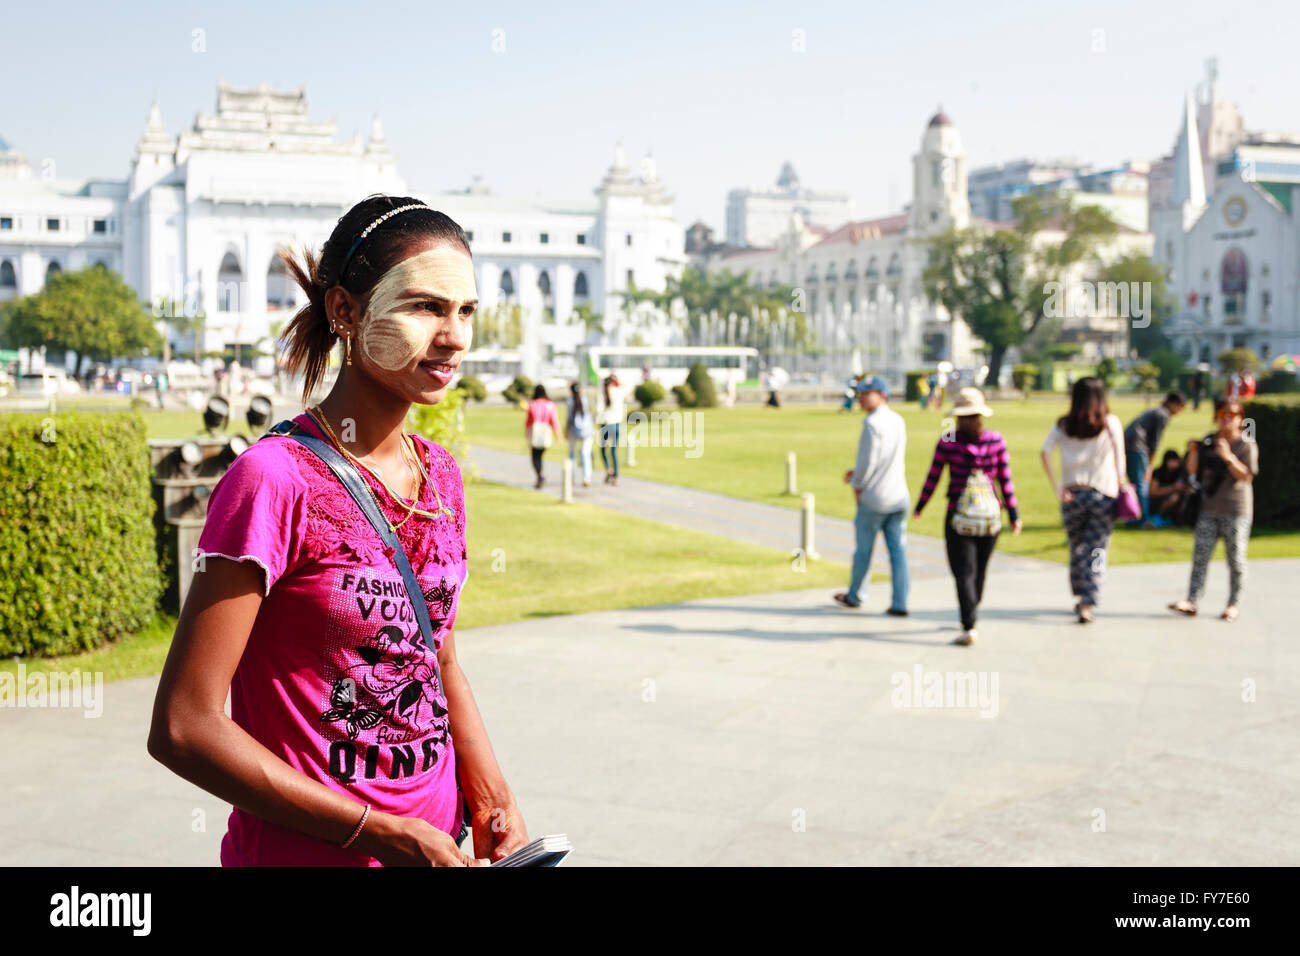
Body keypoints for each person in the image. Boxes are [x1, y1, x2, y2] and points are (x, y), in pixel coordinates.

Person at [148, 197, 528, 867]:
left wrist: (493, 795)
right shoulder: (273, 480)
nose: (455, 338)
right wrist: (373, 830)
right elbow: (184, 726)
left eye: (465, 311)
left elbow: (437, 658)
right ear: (347, 311)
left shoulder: (440, 476)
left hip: (441, 851)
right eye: (425, 308)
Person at [914, 387, 1022, 646]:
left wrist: (921, 505)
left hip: (958, 515)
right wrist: (1014, 514)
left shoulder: (949, 440)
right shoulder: (995, 441)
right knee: (979, 570)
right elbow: (1005, 481)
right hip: (990, 518)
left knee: (963, 571)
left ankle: (969, 623)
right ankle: (972, 610)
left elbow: (934, 477)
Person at [1040, 376, 1128, 624]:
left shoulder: (1064, 425)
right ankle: (1089, 599)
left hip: (1071, 494)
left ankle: (1080, 593)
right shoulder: (1110, 423)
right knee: (1098, 549)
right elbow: (1120, 458)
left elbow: (1045, 452)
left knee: (1076, 548)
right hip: (1102, 494)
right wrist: (1121, 482)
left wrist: (1057, 487)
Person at [1168, 398, 1259, 622]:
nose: (1226, 419)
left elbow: (1246, 476)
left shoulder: (1246, 444)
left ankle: (1233, 604)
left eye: (1232, 415)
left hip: (1236, 509)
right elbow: (1193, 473)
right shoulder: (1209, 441)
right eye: (1222, 414)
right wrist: (1193, 453)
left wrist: (1228, 457)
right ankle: (1191, 600)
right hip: (1209, 508)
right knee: (1200, 556)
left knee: (1236, 560)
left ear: (1241, 419)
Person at [833, 376, 909, 616]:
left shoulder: (872, 423)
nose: (861, 398)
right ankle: (900, 601)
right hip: (898, 495)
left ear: (881, 394)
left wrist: (857, 485)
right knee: (898, 552)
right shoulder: (897, 419)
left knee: (864, 550)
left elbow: (868, 464)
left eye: (867, 393)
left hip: (875, 498)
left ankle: (856, 595)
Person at [1122, 391, 1186, 527]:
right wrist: (1149, 465)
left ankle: (1133, 515)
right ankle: (1142, 520)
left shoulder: (1155, 411)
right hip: (1137, 447)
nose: (1179, 411)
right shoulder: (1162, 414)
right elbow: (1154, 442)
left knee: (1136, 481)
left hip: (1129, 445)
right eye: (1180, 407)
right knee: (1141, 483)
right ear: (1172, 403)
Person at [525, 383, 560, 489]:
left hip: (536, 431)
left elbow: (529, 421)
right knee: (539, 456)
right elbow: (554, 420)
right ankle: (540, 475)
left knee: (535, 457)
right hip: (546, 431)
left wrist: (527, 433)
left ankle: (540, 475)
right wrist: (558, 433)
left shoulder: (532, 404)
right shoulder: (550, 404)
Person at [1148, 449, 1194, 527]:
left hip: (1177, 503)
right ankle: (1158, 518)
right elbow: (1152, 492)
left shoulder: (1181, 473)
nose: (1173, 464)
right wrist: (1173, 488)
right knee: (1173, 498)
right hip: (1156, 501)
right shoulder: (1158, 472)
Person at [565, 381, 595, 487]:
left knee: (572, 454)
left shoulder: (569, 402)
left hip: (574, 430)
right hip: (587, 431)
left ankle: (571, 477)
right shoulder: (585, 400)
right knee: (585, 454)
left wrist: (566, 431)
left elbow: (568, 418)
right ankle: (587, 478)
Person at [599, 373, 625, 485]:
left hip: (605, 424)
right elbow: (627, 387)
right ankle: (616, 477)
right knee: (614, 451)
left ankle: (608, 468)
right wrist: (617, 381)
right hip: (616, 424)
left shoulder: (602, 394)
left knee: (603, 449)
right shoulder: (618, 392)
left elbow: (598, 410)